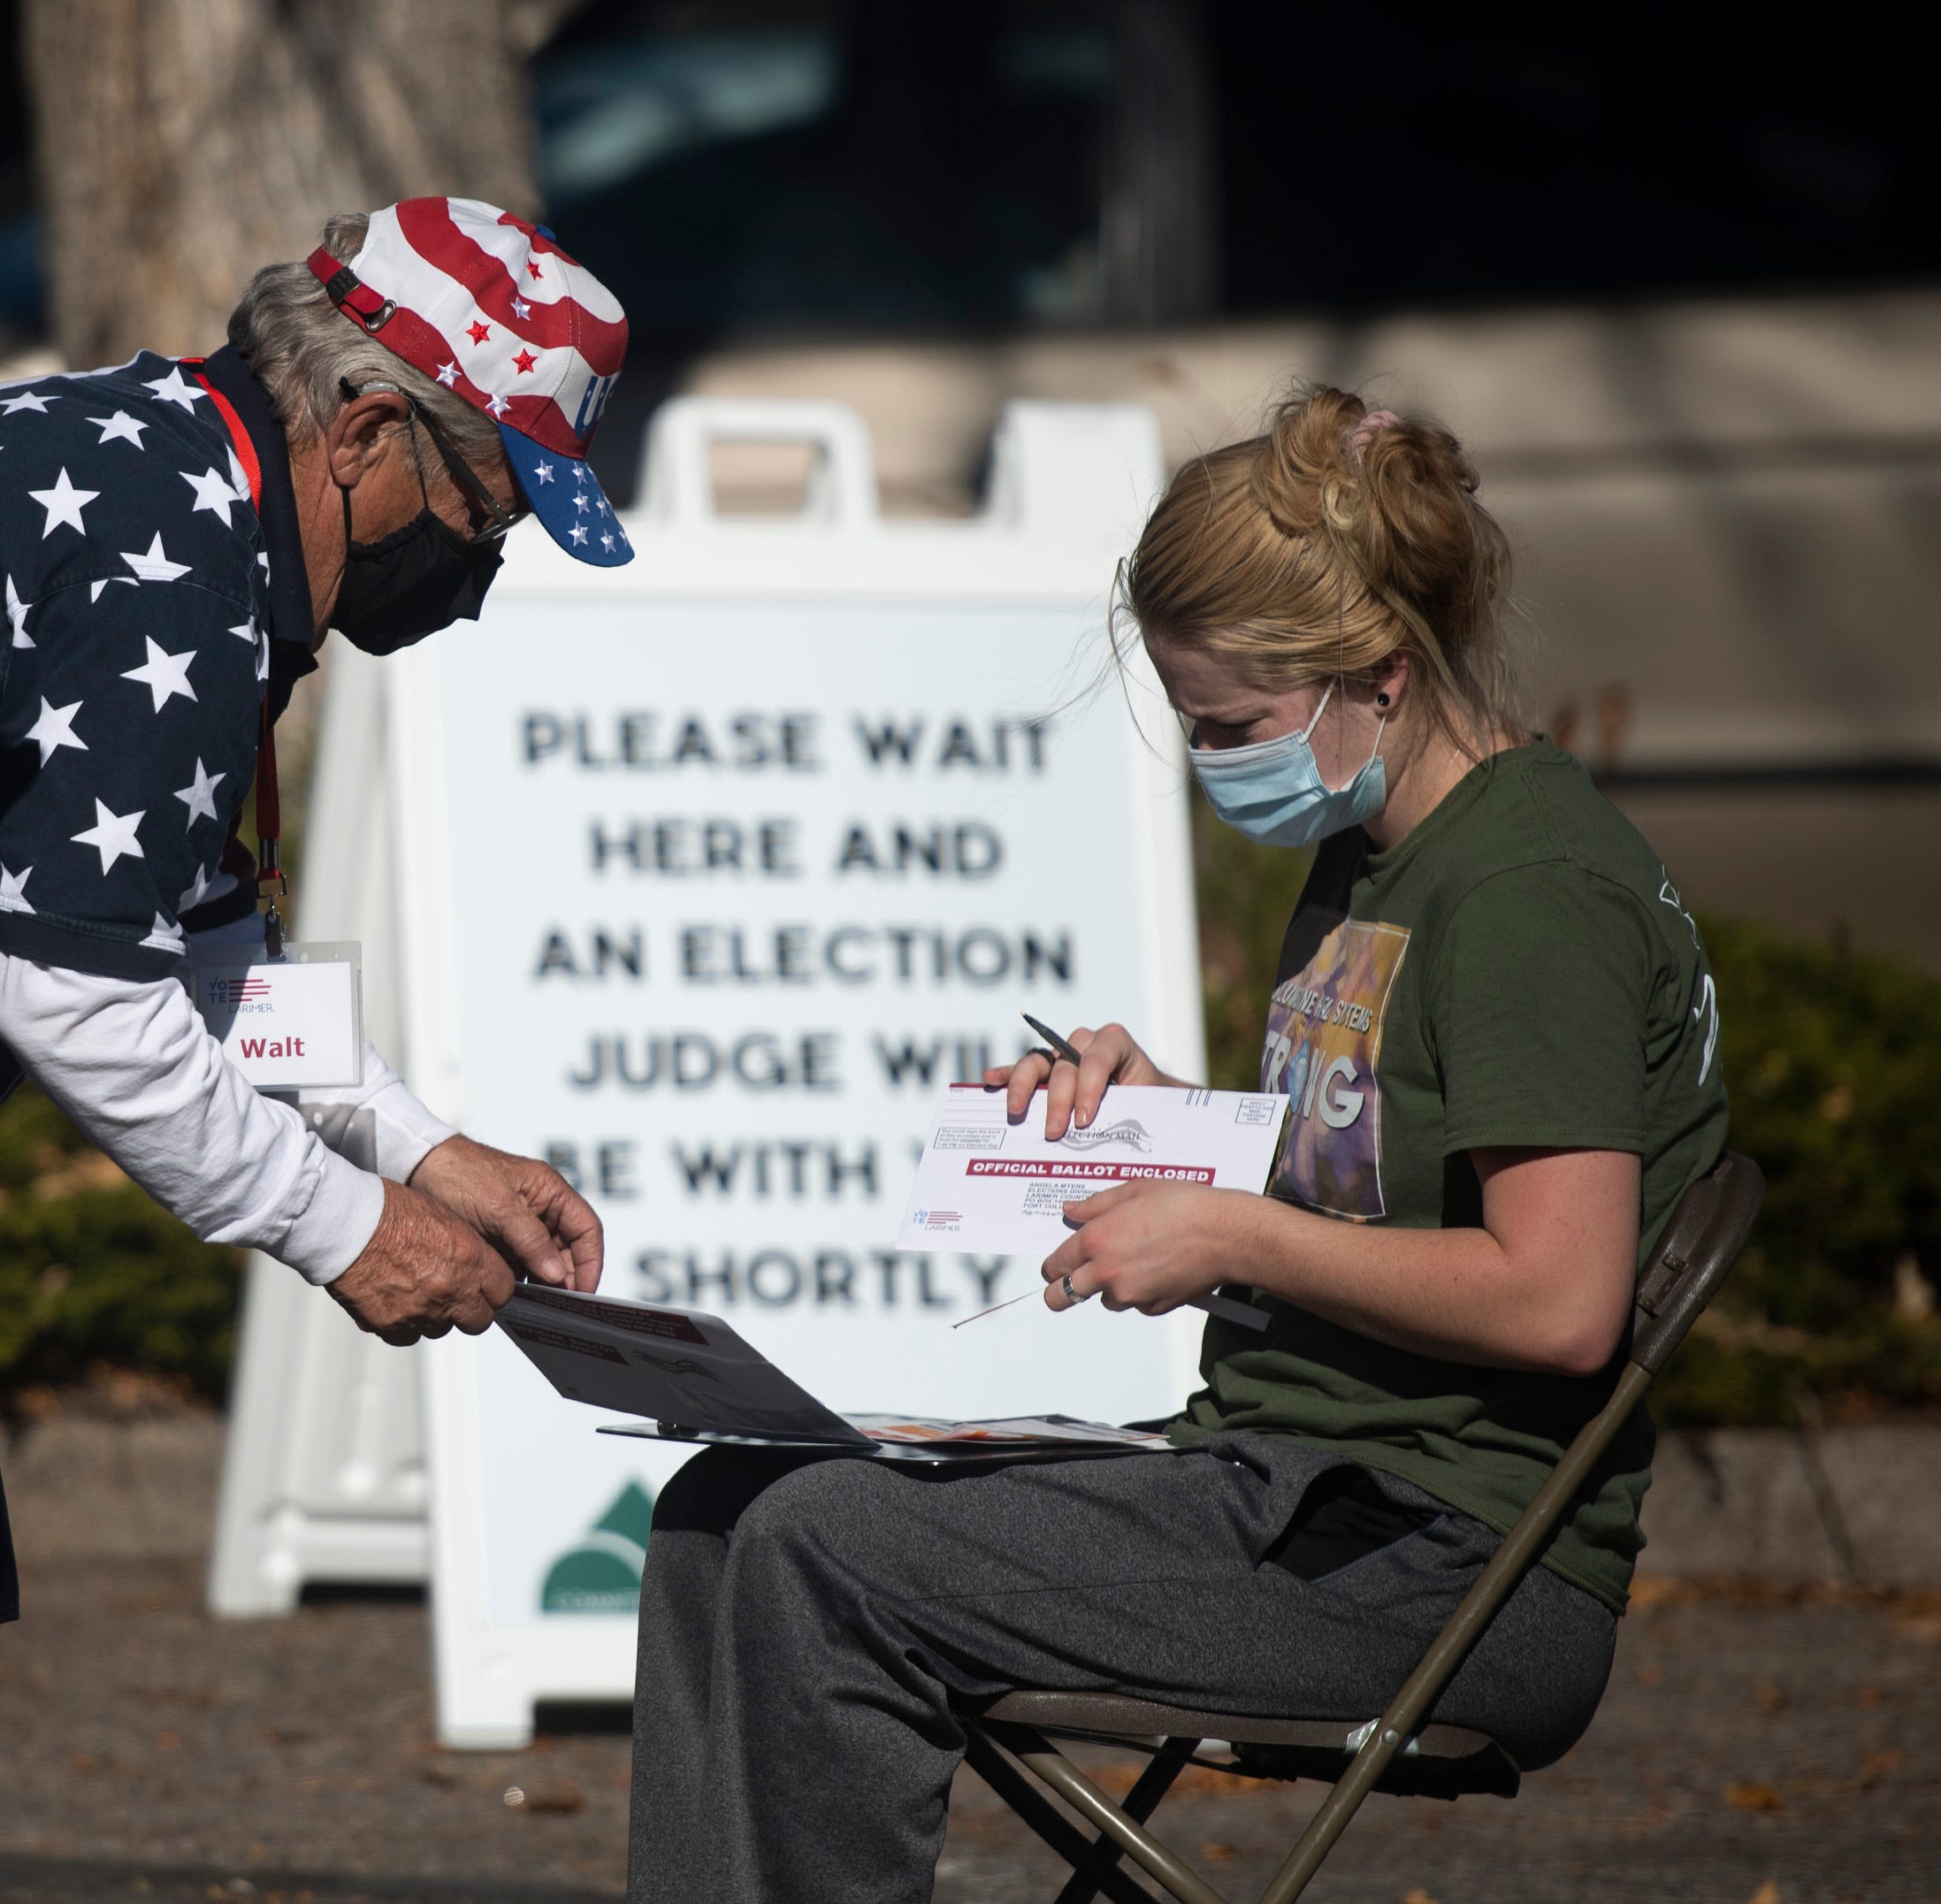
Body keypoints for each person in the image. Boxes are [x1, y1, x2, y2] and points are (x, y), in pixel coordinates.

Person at [624, 387, 1731, 1903]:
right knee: (718, 1511)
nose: (1212, 761)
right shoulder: (1376, 855)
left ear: (1382, 678)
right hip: (1291, 1486)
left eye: (1233, 726)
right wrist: (1169, 1130)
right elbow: (1380, 1185)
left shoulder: (1529, 895)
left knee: (824, 1547)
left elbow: (1558, 1299)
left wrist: (1233, 1232)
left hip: (1448, 1560)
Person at [0, 196, 630, 1895]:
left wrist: (424, 1151)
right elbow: (79, 1000)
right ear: (369, 427)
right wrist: (350, 1233)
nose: (479, 570)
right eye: (485, 511)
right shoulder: (178, 560)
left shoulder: (182, 470)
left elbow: (191, 934)